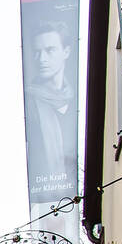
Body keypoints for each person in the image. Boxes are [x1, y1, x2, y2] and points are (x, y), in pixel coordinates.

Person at [24, 21, 78, 203]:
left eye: (50, 50)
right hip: (47, 196)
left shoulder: (73, 99)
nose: (42, 59)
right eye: (37, 52)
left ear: (66, 52)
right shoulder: (31, 103)